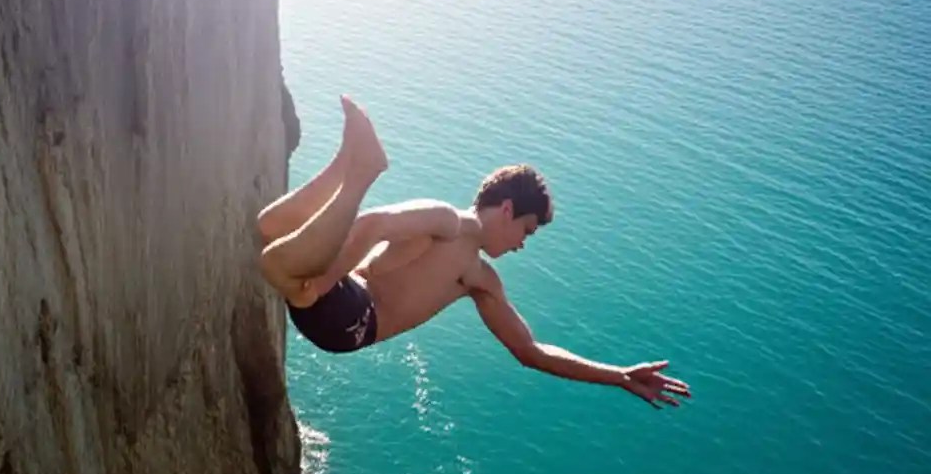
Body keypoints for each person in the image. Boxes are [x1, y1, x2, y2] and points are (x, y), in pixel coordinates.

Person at [257, 95, 690, 409]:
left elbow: (531, 352)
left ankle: (348, 164)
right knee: (272, 238)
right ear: (507, 209)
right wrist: (324, 282)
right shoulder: (449, 223)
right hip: (349, 312)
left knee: (277, 252)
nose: (522, 244)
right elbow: (371, 227)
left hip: (348, 319)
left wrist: (619, 376)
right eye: (526, 230)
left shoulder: (481, 280)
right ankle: (358, 171)